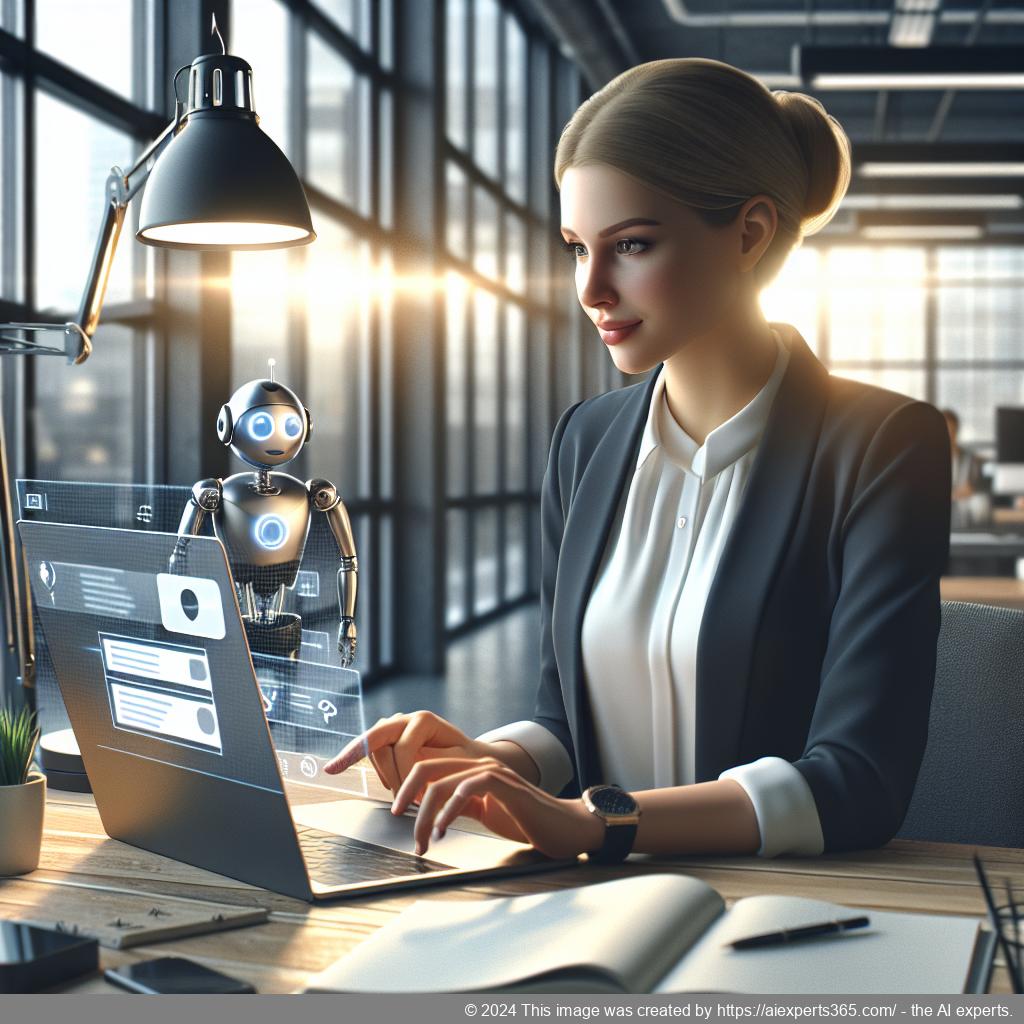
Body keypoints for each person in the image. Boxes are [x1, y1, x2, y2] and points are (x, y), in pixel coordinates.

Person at [325, 58, 951, 863]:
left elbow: (857, 781)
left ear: (751, 233)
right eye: (577, 247)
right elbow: (567, 720)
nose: (591, 288)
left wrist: (600, 822)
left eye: (631, 245)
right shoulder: (585, 441)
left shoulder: (879, 446)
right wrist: (494, 763)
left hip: (783, 915)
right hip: (595, 903)